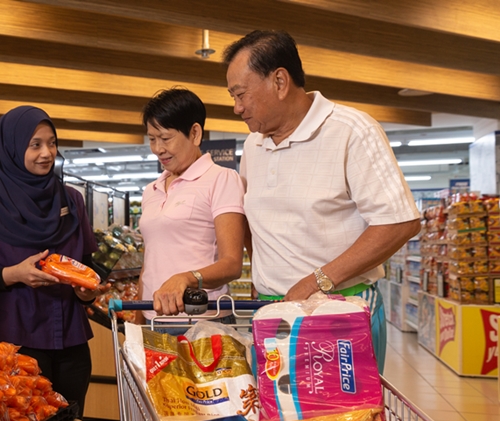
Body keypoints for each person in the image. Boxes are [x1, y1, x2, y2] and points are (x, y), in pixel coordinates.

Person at [222, 30, 422, 373]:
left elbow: (399, 221)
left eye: (241, 94)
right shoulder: (253, 146)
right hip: (272, 314)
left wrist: (317, 280)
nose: (237, 108)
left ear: (280, 81)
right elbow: (254, 226)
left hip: (341, 311)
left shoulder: (351, 131)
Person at [0, 105, 105, 419]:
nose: (46, 153)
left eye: (51, 143)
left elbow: (88, 264)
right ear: (11, 147)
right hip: (13, 340)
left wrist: (87, 290)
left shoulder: (71, 200)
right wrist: (13, 274)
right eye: (34, 144)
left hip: (70, 340)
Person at [137, 87, 246, 323]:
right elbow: (150, 261)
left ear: (195, 133)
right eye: (152, 139)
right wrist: (137, 313)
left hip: (202, 321)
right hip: (152, 318)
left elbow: (232, 264)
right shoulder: (151, 190)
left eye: (165, 138)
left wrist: (187, 278)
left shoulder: (221, 179)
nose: (158, 149)